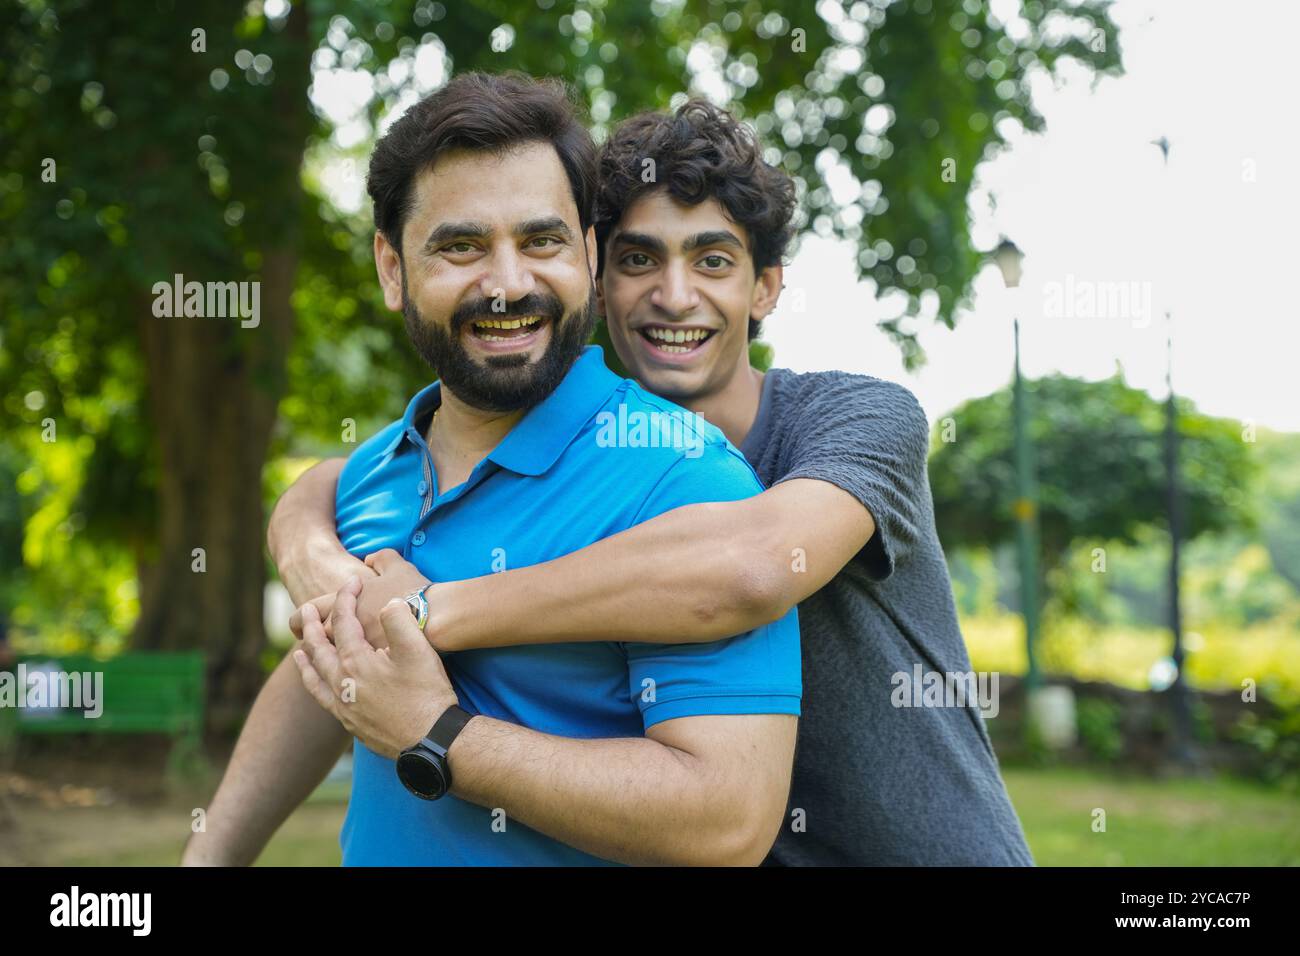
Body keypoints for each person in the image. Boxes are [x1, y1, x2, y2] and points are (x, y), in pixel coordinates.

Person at [276, 95, 1034, 866]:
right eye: (640, 259)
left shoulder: (854, 419)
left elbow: (750, 565)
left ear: (766, 287)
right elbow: (354, 495)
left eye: (713, 260)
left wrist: (424, 614)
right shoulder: (579, 459)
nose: (674, 296)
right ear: (597, 273)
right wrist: (303, 518)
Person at [181, 71, 801, 867]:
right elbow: (333, 670)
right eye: (462, 246)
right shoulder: (374, 472)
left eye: (541, 241)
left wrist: (439, 737)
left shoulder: (680, 476)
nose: (508, 284)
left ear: (586, 252)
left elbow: (728, 820)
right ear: (391, 268)